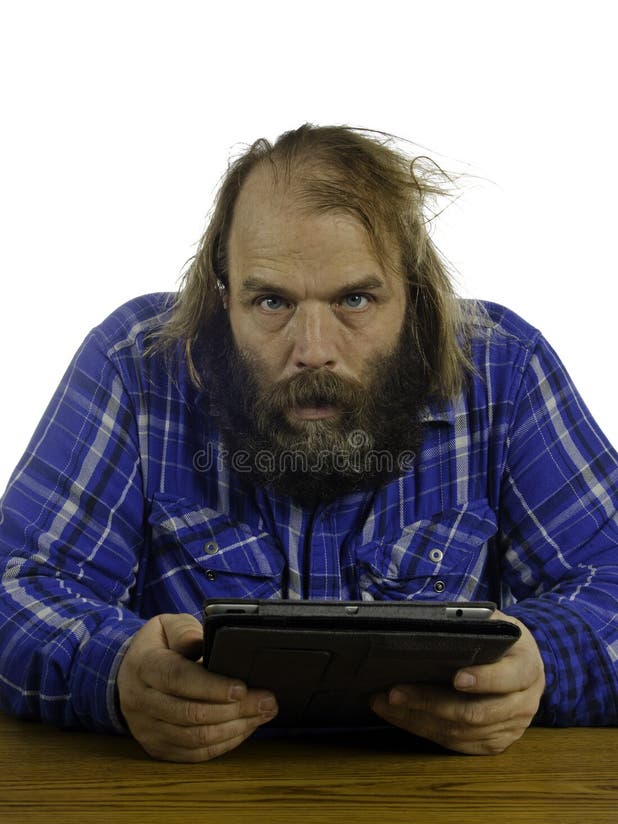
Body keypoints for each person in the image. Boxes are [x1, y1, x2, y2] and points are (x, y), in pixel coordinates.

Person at [0, 125, 616, 763]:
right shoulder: (135, 365)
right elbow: (20, 585)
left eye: (355, 299)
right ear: (221, 299)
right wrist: (114, 670)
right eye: (271, 301)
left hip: (442, 822)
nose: (313, 351)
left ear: (416, 298)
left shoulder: (504, 373)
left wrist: (540, 662)